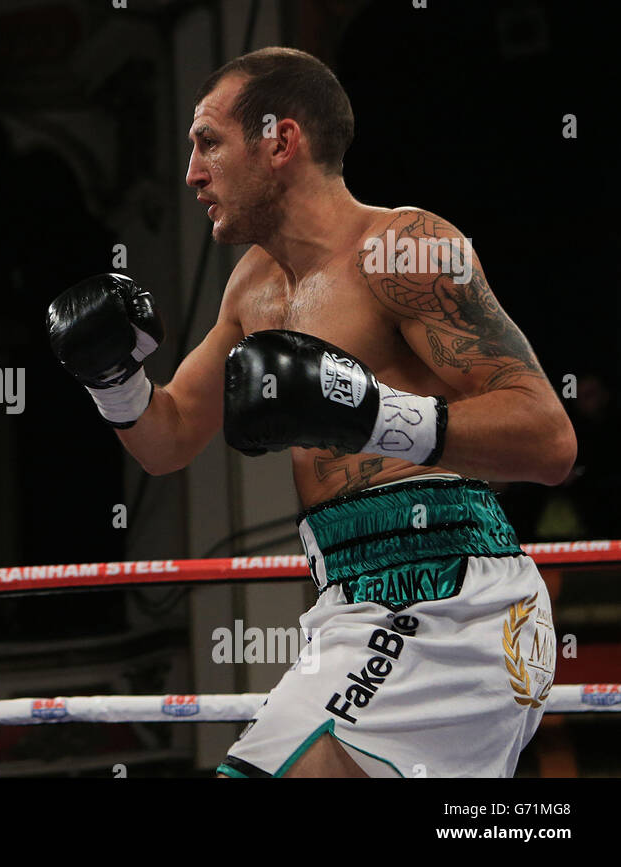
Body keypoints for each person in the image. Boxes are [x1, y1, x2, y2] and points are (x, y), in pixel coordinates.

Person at [47, 48, 573, 777]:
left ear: (280, 140)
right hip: (350, 601)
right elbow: (165, 439)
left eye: (208, 142)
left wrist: (369, 414)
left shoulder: (403, 248)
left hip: (449, 591)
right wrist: (111, 376)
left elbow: (550, 439)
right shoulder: (253, 288)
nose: (194, 173)